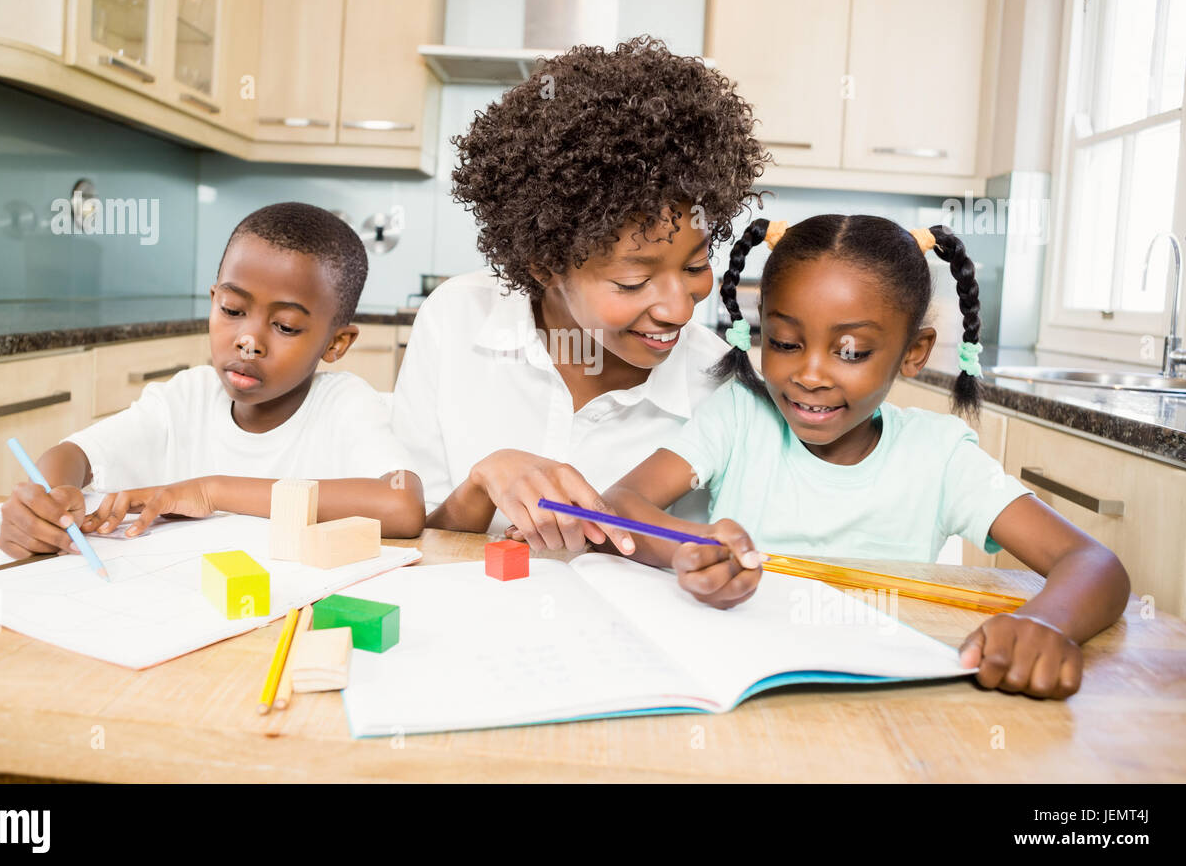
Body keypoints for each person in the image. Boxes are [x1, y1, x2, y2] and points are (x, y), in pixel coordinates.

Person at [602, 215, 1130, 699]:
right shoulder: (739, 416)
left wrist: (1046, 625)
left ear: (915, 352)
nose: (810, 374)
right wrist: (686, 548)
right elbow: (621, 501)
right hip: (746, 687)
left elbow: (1094, 564)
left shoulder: (939, 455)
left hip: (889, 697)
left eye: (851, 352)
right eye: (785, 343)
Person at [391, 36, 767, 552]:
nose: (680, 309)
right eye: (632, 283)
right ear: (545, 265)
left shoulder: (722, 385)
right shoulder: (455, 320)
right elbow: (409, 542)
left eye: (697, 265)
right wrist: (484, 481)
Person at [0, 202, 425, 559]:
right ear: (214, 300)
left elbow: (402, 506)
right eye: (233, 310)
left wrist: (212, 490)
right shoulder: (185, 398)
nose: (248, 341)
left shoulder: (344, 404)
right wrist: (49, 501)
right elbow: (74, 454)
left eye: (286, 327)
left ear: (337, 343)